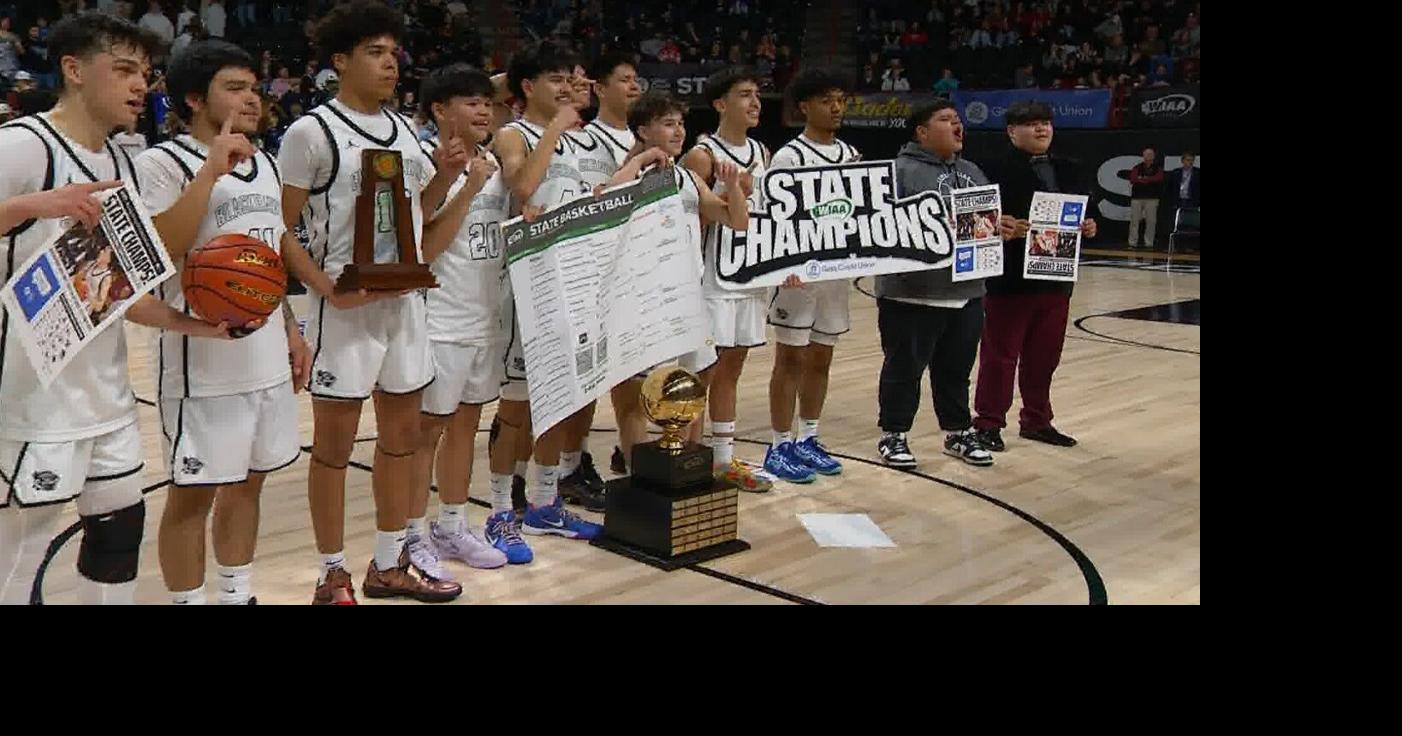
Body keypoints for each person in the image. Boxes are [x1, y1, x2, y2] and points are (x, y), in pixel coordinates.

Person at [0, 11, 230, 605]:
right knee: (20, 562)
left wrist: (189, 324)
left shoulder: (124, 162)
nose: (140, 85)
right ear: (74, 70)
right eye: (124, 69)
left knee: (116, 546)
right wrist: (32, 202)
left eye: (146, 73)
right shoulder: (23, 145)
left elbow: (112, 290)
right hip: (29, 403)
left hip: (107, 397)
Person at [277, 0, 466, 604]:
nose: (391, 64)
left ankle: (388, 564)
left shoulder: (407, 129)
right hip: (346, 311)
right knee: (333, 450)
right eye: (375, 54)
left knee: (401, 441)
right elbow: (278, 228)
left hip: (405, 304)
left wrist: (441, 175)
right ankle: (331, 571)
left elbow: (417, 216)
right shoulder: (311, 131)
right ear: (340, 61)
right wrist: (324, 288)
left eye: (394, 53)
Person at [135, 39, 313, 604]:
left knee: (250, 485)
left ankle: (237, 595)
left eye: (254, 88)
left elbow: (269, 253)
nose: (252, 99)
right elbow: (160, 250)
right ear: (192, 99)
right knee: (193, 495)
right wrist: (210, 172)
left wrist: (290, 327)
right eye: (234, 89)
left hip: (264, 358)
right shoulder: (160, 162)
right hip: (201, 367)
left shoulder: (266, 162)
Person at [407, 63, 512, 572]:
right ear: (439, 111)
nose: (483, 110)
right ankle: (408, 534)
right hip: (440, 321)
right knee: (426, 433)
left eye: (486, 102)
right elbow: (422, 250)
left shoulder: (491, 162)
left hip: (483, 320)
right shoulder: (429, 167)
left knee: (467, 426)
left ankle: (450, 525)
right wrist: (466, 188)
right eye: (470, 102)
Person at [875, 99, 1004, 468]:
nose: (957, 125)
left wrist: (1000, 227)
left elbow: (983, 225)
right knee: (904, 369)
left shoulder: (973, 171)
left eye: (958, 120)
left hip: (966, 291)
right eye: (946, 120)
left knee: (956, 371)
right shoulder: (897, 171)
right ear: (921, 131)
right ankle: (894, 434)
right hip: (911, 292)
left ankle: (959, 432)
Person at [973, 100, 1098, 451]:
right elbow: (977, 220)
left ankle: (1037, 420)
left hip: (1057, 279)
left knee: (1044, 358)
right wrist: (999, 225)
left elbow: (1084, 214)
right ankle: (987, 423)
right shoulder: (991, 168)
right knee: (1000, 356)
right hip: (1010, 280)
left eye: (1045, 123)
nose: (1042, 129)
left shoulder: (1070, 168)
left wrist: (1089, 226)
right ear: (1012, 131)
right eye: (1031, 124)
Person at [762, 67, 860, 484]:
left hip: (837, 271)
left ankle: (809, 437)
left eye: (839, 99)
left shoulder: (852, 154)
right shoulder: (790, 157)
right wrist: (784, 266)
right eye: (826, 100)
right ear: (804, 107)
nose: (836, 107)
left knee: (822, 356)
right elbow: (776, 218)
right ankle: (779, 443)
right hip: (798, 275)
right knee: (791, 357)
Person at [1127, 146, 1162, 249]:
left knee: (1151, 221)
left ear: (1154, 156)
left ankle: (1149, 243)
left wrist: (1143, 179)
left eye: (1150, 155)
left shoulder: (1158, 168)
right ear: (1143, 156)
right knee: (1134, 221)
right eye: (1147, 155)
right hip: (1137, 198)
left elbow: (1158, 178)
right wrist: (1148, 180)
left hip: (1152, 198)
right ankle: (1132, 242)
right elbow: (1133, 179)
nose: (1148, 157)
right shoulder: (1137, 167)